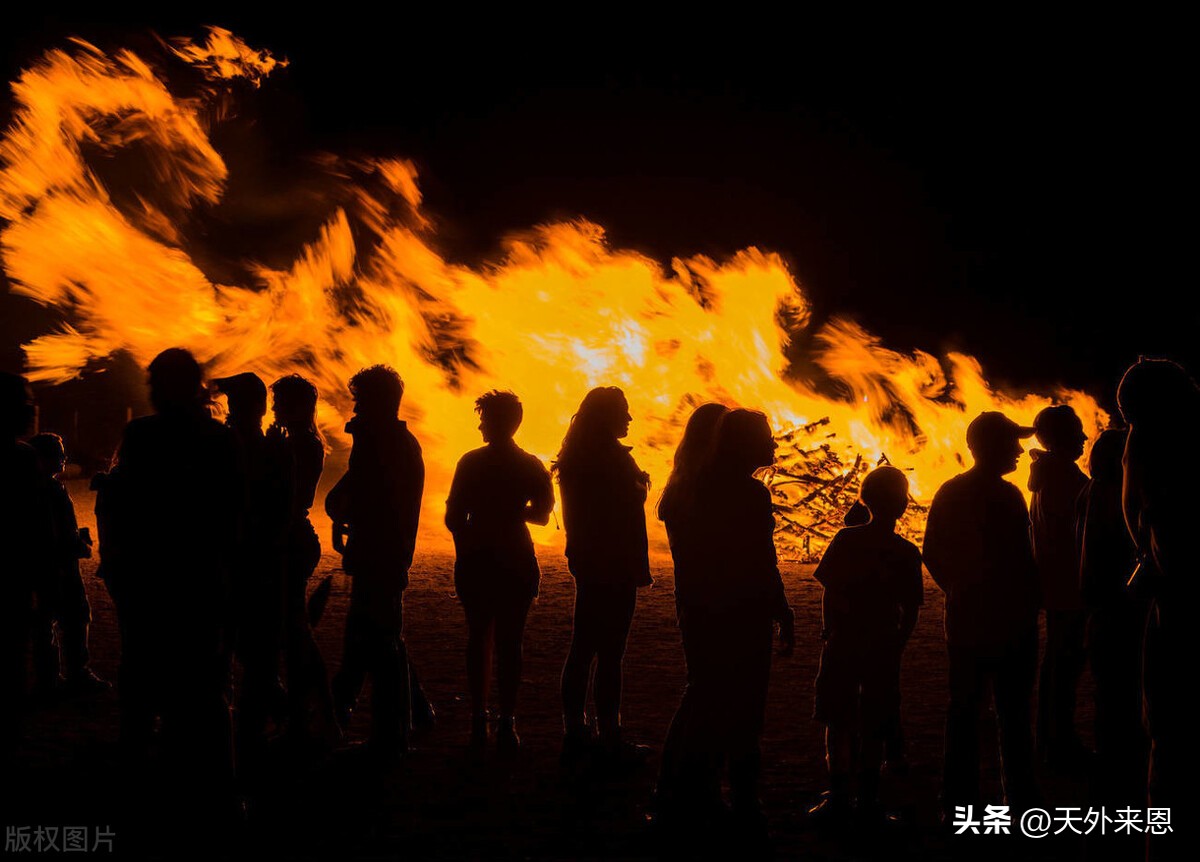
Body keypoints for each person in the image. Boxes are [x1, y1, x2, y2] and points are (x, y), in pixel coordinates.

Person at [94, 348, 241, 817]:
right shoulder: (216, 439)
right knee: (196, 687)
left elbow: (128, 506)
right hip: (189, 580)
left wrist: (119, 560)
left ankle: (161, 788)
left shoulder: (146, 437)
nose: (152, 391)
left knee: (154, 684)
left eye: (158, 382)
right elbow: (233, 515)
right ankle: (212, 790)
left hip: (164, 580)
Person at [923, 411, 1041, 818]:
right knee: (1012, 714)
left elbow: (932, 552)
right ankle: (1020, 800)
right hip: (1009, 624)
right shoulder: (1008, 497)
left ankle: (958, 800)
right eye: (1012, 443)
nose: (1020, 450)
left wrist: (958, 591)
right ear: (989, 447)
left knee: (965, 711)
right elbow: (1024, 559)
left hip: (970, 622)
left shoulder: (952, 492)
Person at [684, 409, 794, 828]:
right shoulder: (749, 494)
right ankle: (743, 801)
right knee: (745, 708)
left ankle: (701, 794)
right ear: (744, 444)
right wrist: (781, 610)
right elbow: (761, 560)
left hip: (703, 608)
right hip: (741, 612)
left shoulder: (697, 485)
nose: (773, 443)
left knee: (709, 699)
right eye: (766, 436)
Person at [327, 365, 432, 760]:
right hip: (381, 553)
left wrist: (343, 513)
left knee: (377, 641)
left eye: (361, 400)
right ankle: (414, 716)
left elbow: (375, 500)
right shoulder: (384, 441)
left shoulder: (387, 445)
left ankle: (391, 735)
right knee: (381, 636)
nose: (355, 408)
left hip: (381, 554)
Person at [1117, 358, 1200, 855]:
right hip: (1180, 610)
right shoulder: (1165, 450)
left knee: (1169, 739)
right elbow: (1169, 540)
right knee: (1173, 738)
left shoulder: (1144, 448)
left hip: (1173, 608)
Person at [809, 465, 922, 826]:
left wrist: (830, 630)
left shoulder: (846, 539)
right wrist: (899, 642)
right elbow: (911, 608)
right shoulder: (905, 551)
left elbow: (831, 590)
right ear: (904, 504)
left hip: (844, 640)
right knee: (876, 717)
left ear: (863, 499)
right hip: (882, 644)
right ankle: (869, 798)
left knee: (837, 717)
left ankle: (839, 795)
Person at [445, 390, 554, 755]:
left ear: (493, 421)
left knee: (479, 638)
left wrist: (470, 541)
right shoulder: (531, 465)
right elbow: (541, 515)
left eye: (483, 418)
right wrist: (512, 512)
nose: (479, 424)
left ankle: (479, 719)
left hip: (477, 557)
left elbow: (453, 518)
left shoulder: (470, 463)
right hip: (517, 557)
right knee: (511, 642)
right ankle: (507, 722)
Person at [554, 386, 652, 765]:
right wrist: (640, 485)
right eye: (623, 412)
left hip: (589, 561)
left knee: (583, 647)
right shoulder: (612, 460)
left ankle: (575, 731)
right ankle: (610, 735)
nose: (629, 419)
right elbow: (625, 505)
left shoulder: (576, 457)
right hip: (616, 564)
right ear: (607, 417)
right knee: (611, 653)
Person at [214, 372, 292, 777]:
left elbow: (275, 506)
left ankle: (249, 734)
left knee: (247, 652)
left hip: (246, 562)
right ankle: (255, 727)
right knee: (247, 652)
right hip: (243, 562)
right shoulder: (252, 446)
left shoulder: (251, 448)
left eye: (239, 402)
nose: (231, 409)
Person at [655, 402, 729, 818]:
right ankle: (685, 789)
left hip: (693, 597)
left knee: (702, 688)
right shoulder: (706, 489)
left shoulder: (685, 483)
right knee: (707, 691)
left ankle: (676, 785)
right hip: (709, 599)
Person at [1077, 427, 1147, 806]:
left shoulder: (1088, 491)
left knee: (1109, 708)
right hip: (1121, 614)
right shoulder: (1120, 500)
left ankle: (1107, 794)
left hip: (1099, 614)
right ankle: (1122, 801)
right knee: (1126, 710)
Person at [268, 373, 337, 751]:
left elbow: (288, 496)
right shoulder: (301, 440)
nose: (274, 408)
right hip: (294, 538)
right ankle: (311, 714)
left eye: (279, 402)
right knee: (294, 634)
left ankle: (311, 716)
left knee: (296, 637)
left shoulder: (301, 444)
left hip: (291, 540)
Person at [1027, 404, 1090, 770]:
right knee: (1063, 664)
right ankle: (1058, 743)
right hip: (1069, 583)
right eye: (1077, 430)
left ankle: (1051, 741)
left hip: (1057, 582)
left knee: (1058, 663)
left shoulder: (1048, 474)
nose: (1083, 437)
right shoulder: (1065, 478)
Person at [27, 433, 107, 695]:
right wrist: (78, 546)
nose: (64, 459)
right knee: (75, 616)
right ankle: (76, 673)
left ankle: (49, 677)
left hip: (47, 564)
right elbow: (53, 532)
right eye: (59, 453)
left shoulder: (43, 487)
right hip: (59, 565)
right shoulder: (48, 490)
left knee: (46, 620)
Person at [0, 372, 51, 762]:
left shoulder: (23, 456)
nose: (31, 408)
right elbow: (34, 525)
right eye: (25, 400)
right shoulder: (20, 459)